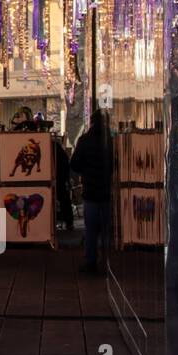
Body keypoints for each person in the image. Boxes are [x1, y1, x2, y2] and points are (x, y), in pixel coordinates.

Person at [72, 109, 114, 273]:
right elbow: (113, 164)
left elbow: (74, 164)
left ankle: (91, 261)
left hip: (90, 190)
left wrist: (85, 171)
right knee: (105, 230)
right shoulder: (110, 141)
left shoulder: (85, 140)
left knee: (90, 229)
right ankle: (107, 262)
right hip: (105, 190)